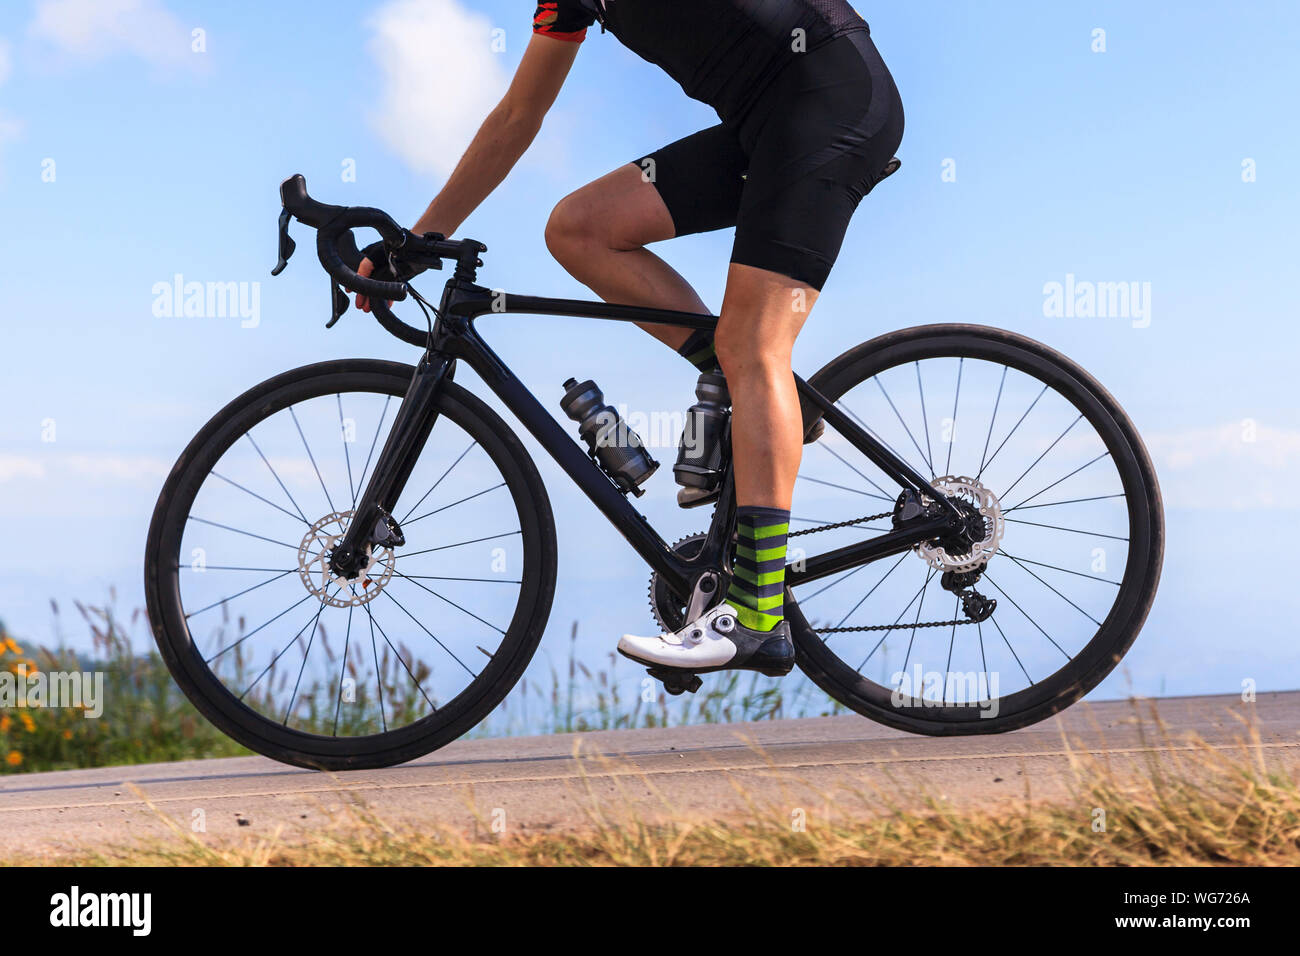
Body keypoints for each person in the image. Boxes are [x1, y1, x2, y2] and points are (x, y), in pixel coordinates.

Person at [355, 0, 904, 677]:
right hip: (768, 121)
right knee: (580, 228)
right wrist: (421, 237)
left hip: (829, 105)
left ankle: (757, 619)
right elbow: (516, 118)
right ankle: (763, 395)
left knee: (754, 344)